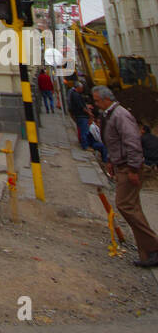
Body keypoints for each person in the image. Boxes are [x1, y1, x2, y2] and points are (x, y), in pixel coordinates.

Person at [92, 86, 158, 268]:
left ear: (107, 99)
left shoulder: (120, 116)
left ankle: (153, 247)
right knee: (133, 207)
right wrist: (112, 160)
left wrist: (134, 169)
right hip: (122, 165)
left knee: (125, 205)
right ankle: (147, 254)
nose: (96, 104)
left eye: (98, 101)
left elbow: (132, 142)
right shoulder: (111, 115)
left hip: (128, 167)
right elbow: (116, 142)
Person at [67, 79, 91, 150]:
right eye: (82, 88)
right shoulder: (76, 95)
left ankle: (83, 143)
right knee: (84, 130)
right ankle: (85, 146)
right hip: (81, 115)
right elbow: (81, 106)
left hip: (78, 115)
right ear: (79, 88)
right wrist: (89, 112)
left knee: (82, 130)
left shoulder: (73, 94)